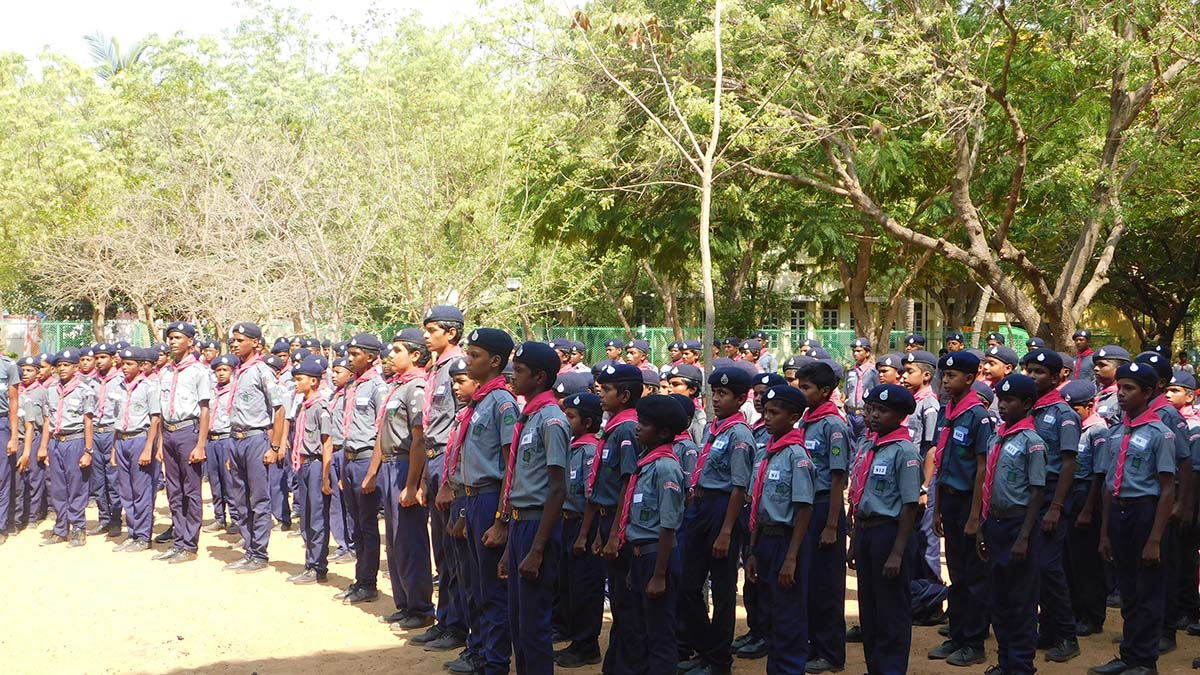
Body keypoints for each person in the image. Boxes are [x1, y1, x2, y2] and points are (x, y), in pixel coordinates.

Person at [1089, 362, 1177, 675]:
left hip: (1145, 513)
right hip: (1119, 512)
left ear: (1149, 392)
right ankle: (1128, 655)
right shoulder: (1116, 432)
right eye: (1121, 387)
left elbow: (1167, 489)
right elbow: (1109, 486)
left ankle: (1145, 660)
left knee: (1147, 590)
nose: (1122, 394)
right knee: (1127, 589)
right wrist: (1104, 533)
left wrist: (1155, 539)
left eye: (1130, 389)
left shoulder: (1160, 434)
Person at [495, 341, 569, 675]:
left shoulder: (551, 420)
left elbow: (557, 487)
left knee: (534, 623)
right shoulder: (530, 416)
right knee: (519, 621)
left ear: (539, 377)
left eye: (520, 371)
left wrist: (537, 549)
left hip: (538, 524)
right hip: (520, 524)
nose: (513, 376)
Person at [446, 328, 517, 675]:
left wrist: (502, 519)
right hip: (472, 498)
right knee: (476, 584)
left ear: (495, 362)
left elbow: (509, 466)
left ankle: (495, 661)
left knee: (492, 588)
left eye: (475, 355)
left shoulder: (502, 403)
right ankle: (481, 651)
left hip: (491, 499)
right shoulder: (479, 402)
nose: (467, 360)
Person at [679, 366, 755, 675]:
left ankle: (719, 660)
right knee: (688, 583)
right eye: (715, 393)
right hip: (701, 506)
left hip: (722, 509)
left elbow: (739, 486)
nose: (717, 399)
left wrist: (725, 531)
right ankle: (707, 647)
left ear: (740, 398)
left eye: (724, 394)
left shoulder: (739, 435)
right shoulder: (715, 428)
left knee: (723, 590)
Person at [848, 383, 922, 675]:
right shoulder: (868, 445)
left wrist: (898, 552)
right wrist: (854, 540)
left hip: (890, 534)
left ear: (900, 415)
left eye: (882, 410)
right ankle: (874, 667)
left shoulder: (905, 452)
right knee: (870, 609)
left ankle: (891, 669)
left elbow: (909, 506)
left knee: (891, 610)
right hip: (866, 531)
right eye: (870, 408)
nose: (873, 415)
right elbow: (858, 496)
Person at [978, 374, 1047, 675]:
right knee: (1000, 598)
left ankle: (1020, 665)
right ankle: (1005, 661)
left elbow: (1036, 491)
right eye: (1000, 399)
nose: (1002, 405)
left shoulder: (1032, 442)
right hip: (995, 523)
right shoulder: (997, 436)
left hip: (1019, 524)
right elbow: (987, 485)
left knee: (1021, 600)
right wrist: (982, 525)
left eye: (1010, 401)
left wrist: (1024, 536)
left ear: (1028, 404)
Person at [743, 385, 815, 674]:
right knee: (771, 610)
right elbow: (758, 508)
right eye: (767, 411)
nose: (767, 416)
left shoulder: (797, 457)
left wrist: (791, 557)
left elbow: (804, 509)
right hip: (765, 540)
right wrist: (752, 550)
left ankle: (790, 669)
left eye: (775, 413)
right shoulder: (766, 453)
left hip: (788, 541)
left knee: (788, 613)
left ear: (794, 417)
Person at [927, 350, 992, 666]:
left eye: (951, 376)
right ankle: (957, 635)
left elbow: (982, 469)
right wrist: (938, 508)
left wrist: (975, 515)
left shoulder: (979, 416)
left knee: (974, 576)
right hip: (949, 499)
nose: (945, 381)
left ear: (970, 378)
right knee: (956, 574)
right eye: (943, 375)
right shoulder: (947, 412)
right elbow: (941, 462)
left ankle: (974, 643)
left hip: (969, 502)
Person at [412, 305, 469, 651]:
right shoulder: (436, 369)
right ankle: (446, 618)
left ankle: (457, 624)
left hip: (448, 462)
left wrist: (447, 478)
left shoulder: (459, 369)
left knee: (454, 549)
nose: (425, 336)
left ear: (451, 333)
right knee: (443, 551)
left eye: (432, 329)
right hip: (433, 462)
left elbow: (457, 429)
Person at [1020, 348, 1081, 662]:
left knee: (1049, 566)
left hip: (1052, 494)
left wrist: (1057, 506)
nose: (1032, 376)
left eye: (1039, 372)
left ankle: (1068, 635)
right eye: (1029, 370)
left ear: (1057, 377)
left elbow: (1069, 463)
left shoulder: (1063, 414)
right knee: (1034, 568)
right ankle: (1048, 630)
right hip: (1028, 495)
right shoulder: (1027, 409)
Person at [618, 394, 687, 675]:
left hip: (657, 556)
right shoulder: (645, 462)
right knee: (642, 627)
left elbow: (668, 525)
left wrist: (659, 574)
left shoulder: (665, 467)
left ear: (662, 432)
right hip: (640, 556)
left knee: (660, 631)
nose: (637, 428)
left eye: (644, 424)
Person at [370, 329, 435, 628]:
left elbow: (419, 439)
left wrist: (412, 484)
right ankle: (405, 603)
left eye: (397, 350)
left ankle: (420, 608)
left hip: (405, 464)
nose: (390, 355)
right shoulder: (397, 386)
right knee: (395, 541)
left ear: (415, 355)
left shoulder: (416, 387)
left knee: (410, 539)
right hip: (389, 465)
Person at [580, 362, 641, 674]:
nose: (599, 394)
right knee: (618, 599)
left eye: (606, 390)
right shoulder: (615, 426)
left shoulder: (628, 429)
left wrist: (615, 533)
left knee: (625, 600)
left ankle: (627, 665)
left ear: (625, 395)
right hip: (608, 520)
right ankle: (616, 663)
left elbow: (627, 484)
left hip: (621, 523)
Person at [792, 362, 851, 674]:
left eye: (806, 388)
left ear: (825, 392)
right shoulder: (806, 421)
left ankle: (830, 652)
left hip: (825, 507)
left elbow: (838, 476)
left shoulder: (833, 425)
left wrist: (831, 524)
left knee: (826, 584)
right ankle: (813, 645)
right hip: (806, 508)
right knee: (809, 582)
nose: (800, 392)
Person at [222, 322, 286, 574]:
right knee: (239, 499)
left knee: (258, 498)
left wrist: (275, 445)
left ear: (256, 343)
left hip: (256, 439)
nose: (235, 344)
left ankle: (259, 553)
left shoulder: (262, 371)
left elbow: (279, 409)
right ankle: (249, 549)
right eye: (233, 340)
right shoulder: (239, 371)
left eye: (240, 340)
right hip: (236, 439)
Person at [333, 333, 388, 603]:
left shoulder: (377, 386)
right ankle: (359, 578)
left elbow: (381, 431)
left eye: (356, 354)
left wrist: (372, 472)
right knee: (355, 523)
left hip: (367, 459)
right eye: (350, 353)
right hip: (350, 458)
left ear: (371, 356)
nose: (350, 358)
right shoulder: (352, 384)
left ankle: (369, 582)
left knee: (367, 525)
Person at [152, 322, 212, 563]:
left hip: (188, 431)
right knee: (173, 490)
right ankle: (178, 540)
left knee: (191, 490)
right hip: (169, 432)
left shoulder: (199, 371)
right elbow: (159, 413)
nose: (173, 341)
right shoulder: (165, 372)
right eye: (170, 338)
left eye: (178, 337)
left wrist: (200, 444)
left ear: (190, 341)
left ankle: (190, 544)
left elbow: (205, 409)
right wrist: (159, 444)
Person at [556, 392, 605, 668]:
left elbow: (591, 496)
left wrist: (584, 534)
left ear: (587, 422)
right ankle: (576, 640)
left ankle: (588, 645)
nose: (565, 420)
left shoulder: (589, 451)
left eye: (571, 416)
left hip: (582, 524)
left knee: (585, 587)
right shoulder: (572, 447)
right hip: (567, 521)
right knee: (569, 585)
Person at [1062, 379, 1108, 636]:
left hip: (1086, 494)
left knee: (1087, 561)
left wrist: (1088, 508)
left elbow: (1099, 473)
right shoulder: (1072, 427)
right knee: (1070, 558)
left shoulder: (1097, 430)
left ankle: (1093, 616)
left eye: (1076, 409)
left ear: (1089, 406)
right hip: (1070, 494)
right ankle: (1075, 610)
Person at [40, 348, 97, 547]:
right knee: (58, 487)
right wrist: (44, 447)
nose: (62, 369)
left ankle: (78, 528)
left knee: (77, 487)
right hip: (56, 441)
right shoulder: (51, 390)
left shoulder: (85, 390)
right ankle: (60, 528)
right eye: (59, 366)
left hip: (75, 441)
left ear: (76, 367)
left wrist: (88, 451)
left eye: (66, 365)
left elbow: (88, 422)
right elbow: (47, 420)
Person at [108, 347, 161, 553]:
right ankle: (132, 533)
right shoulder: (119, 387)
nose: (124, 368)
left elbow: (155, 418)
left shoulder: (149, 387)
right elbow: (117, 419)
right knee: (126, 491)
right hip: (121, 440)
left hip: (140, 439)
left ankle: (143, 535)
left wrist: (149, 448)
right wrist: (114, 448)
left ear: (141, 366)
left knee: (141, 490)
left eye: (130, 364)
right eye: (123, 364)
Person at [287, 356, 334, 584]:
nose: (296, 383)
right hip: (303, 465)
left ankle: (318, 567)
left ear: (314, 381)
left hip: (316, 465)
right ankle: (309, 563)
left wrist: (326, 477)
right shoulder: (302, 406)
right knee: (305, 517)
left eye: (300, 379)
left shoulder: (320, 407)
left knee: (316, 518)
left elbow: (327, 442)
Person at [86, 343, 123, 538]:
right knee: (98, 480)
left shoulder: (121, 380)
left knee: (113, 479)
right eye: (96, 358)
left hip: (111, 432)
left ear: (112, 358)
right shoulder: (91, 382)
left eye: (103, 357)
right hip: (96, 432)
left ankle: (116, 519)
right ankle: (104, 519)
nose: (99, 361)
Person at [203, 353, 239, 535]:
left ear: (232, 371)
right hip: (212, 439)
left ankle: (236, 518)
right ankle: (219, 517)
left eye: (225, 370)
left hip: (227, 438)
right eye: (218, 370)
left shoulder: (236, 390)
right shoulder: (211, 391)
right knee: (215, 480)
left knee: (230, 481)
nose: (221, 373)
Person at [325, 357, 356, 565]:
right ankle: (342, 544)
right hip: (333, 450)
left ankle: (353, 545)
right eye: (333, 372)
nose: (334, 376)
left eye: (339, 372)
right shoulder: (333, 396)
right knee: (336, 502)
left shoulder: (351, 396)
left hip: (347, 452)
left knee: (349, 501)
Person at [845, 337, 879, 444]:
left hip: (865, 413)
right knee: (851, 443)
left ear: (867, 353)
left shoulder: (873, 373)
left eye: (859, 351)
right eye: (854, 351)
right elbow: (846, 393)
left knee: (864, 442)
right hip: (851, 413)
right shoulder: (850, 372)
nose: (855, 354)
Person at [666, 364, 707, 445]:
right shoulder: (667, 413)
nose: (669, 389)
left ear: (692, 389)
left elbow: (700, 448)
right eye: (669, 384)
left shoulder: (697, 417)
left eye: (676, 385)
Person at [1092, 345, 1130, 427]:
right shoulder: (1095, 392)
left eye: (1102, 365)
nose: (1096, 368)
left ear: (1119, 369)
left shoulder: (1124, 397)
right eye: (1095, 365)